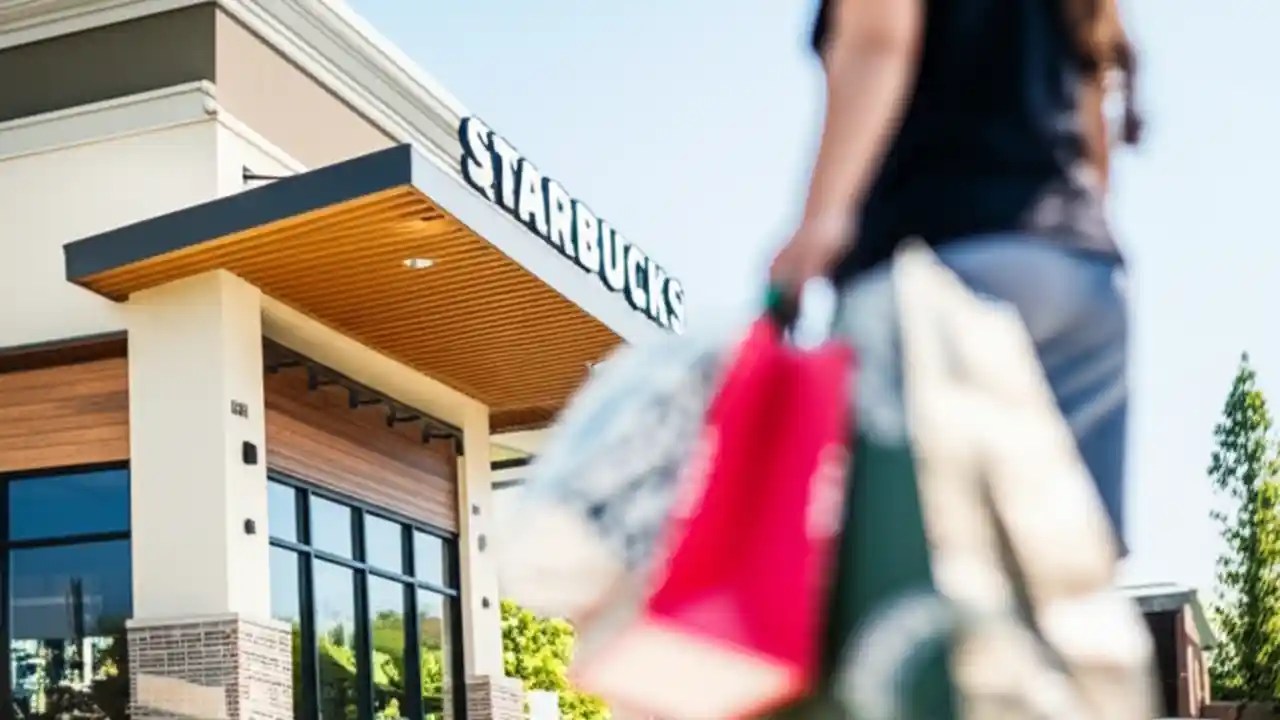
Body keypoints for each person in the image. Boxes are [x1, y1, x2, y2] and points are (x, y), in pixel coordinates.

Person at [770, 0, 1142, 552]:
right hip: (1081, 287)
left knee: (915, 579)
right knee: (1069, 583)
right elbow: (1094, 125)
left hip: (938, 270)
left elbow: (882, 42)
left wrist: (821, 222)